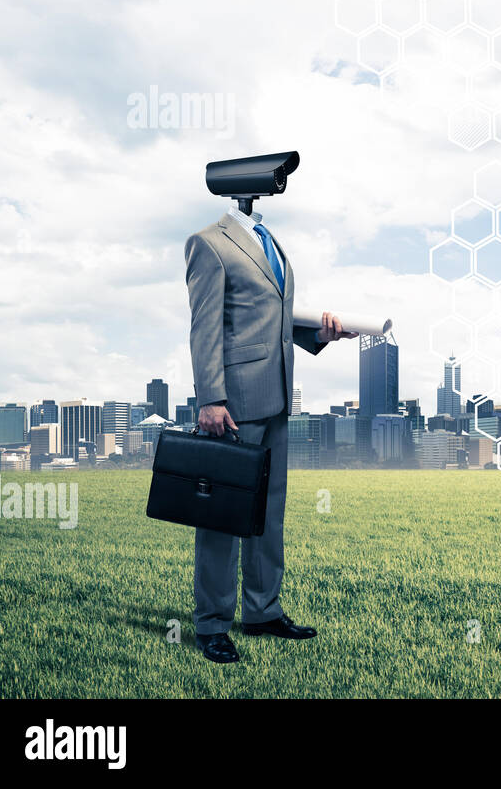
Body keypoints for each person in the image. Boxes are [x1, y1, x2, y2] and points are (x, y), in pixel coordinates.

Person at [184, 204, 355, 664]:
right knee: (222, 518)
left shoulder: (269, 241)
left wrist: (319, 335)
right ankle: (212, 625)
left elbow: (271, 318)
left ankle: (262, 611)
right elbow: (205, 326)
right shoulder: (209, 243)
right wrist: (210, 398)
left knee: (267, 514)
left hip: (276, 395)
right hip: (232, 402)